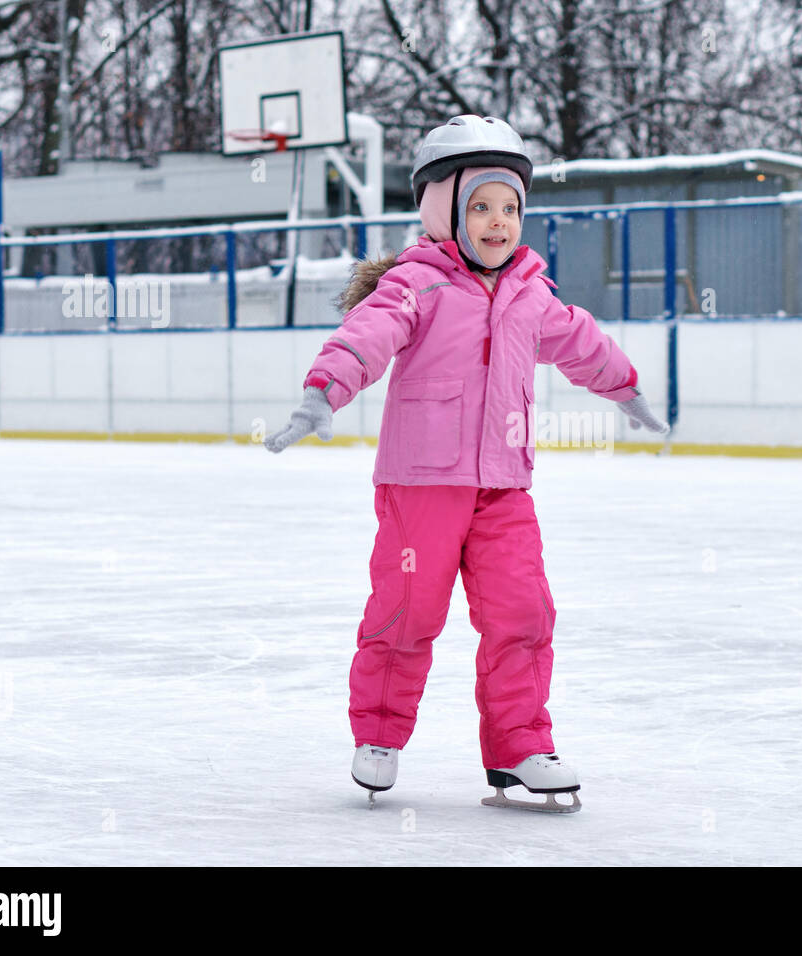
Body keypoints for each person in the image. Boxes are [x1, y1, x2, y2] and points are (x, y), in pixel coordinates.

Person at [264, 115, 668, 812]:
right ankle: (380, 736)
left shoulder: (530, 295)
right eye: (480, 205)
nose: (498, 221)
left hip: (505, 488)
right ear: (443, 210)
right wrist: (322, 390)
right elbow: (368, 335)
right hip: (422, 485)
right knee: (407, 611)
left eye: (510, 207)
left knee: (524, 612)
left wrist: (624, 385)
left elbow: (581, 342)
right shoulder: (417, 286)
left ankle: (520, 748)